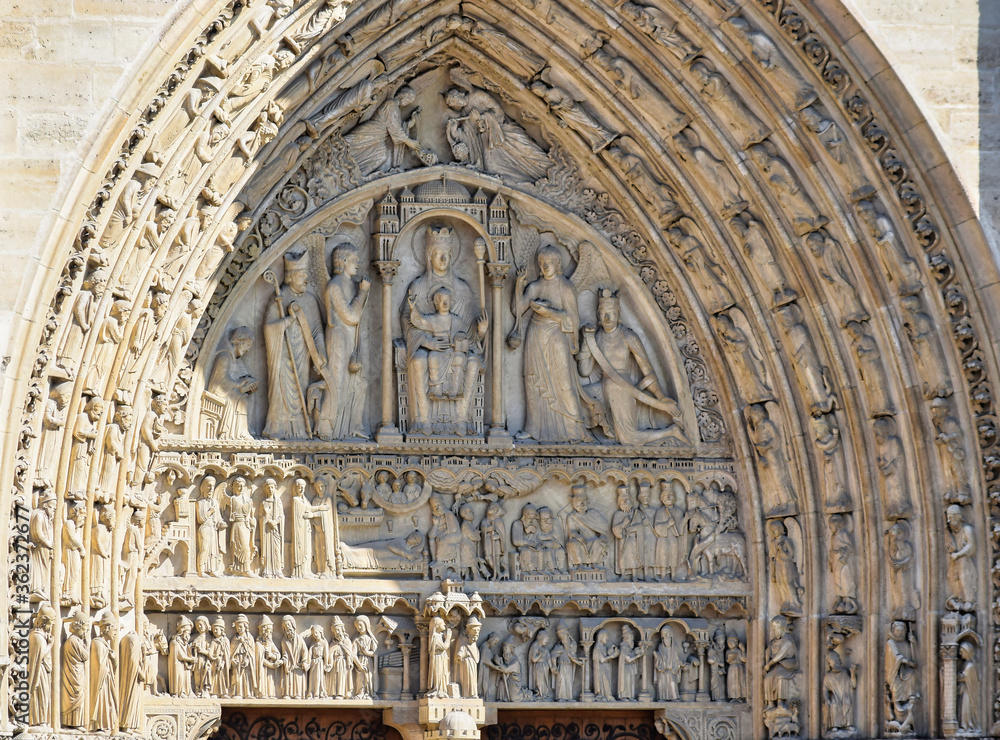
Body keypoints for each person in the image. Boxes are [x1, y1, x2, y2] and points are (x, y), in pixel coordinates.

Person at [578, 289, 684, 445]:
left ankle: (670, 432)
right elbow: (584, 371)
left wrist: (661, 398)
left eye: (611, 313)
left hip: (622, 388)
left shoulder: (628, 336)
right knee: (577, 399)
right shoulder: (597, 337)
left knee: (628, 438)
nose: (607, 317)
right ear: (598, 315)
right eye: (603, 313)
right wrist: (586, 345)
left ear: (619, 314)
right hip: (603, 387)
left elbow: (647, 371)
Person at [512, 246, 595, 443]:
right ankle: (533, 428)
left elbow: (572, 319)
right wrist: (518, 285)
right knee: (533, 382)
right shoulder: (535, 287)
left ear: (558, 264)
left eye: (549, 261)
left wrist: (550, 313)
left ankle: (574, 428)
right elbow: (517, 310)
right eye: (542, 262)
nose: (545, 265)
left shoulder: (565, 287)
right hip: (535, 336)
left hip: (557, 338)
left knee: (563, 382)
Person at [263, 250, 325, 440]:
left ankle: (298, 430)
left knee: (301, 390)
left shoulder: (310, 301)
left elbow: (316, 330)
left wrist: (320, 354)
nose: (306, 280)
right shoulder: (278, 300)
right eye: (302, 276)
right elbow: (268, 328)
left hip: (302, 354)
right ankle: (277, 428)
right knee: (281, 389)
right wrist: (288, 321)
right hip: (282, 353)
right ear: (290, 277)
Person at [314, 244, 370, 439]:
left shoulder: (350, 284)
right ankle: (326, 425)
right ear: (343, 261)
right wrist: (362, 292)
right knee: (337, 381)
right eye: (355, 260)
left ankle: (353, 426)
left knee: (358, 384)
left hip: (350, 339)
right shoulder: (335, 285)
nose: (358, 263)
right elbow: (351, 316)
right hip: (338, 338)